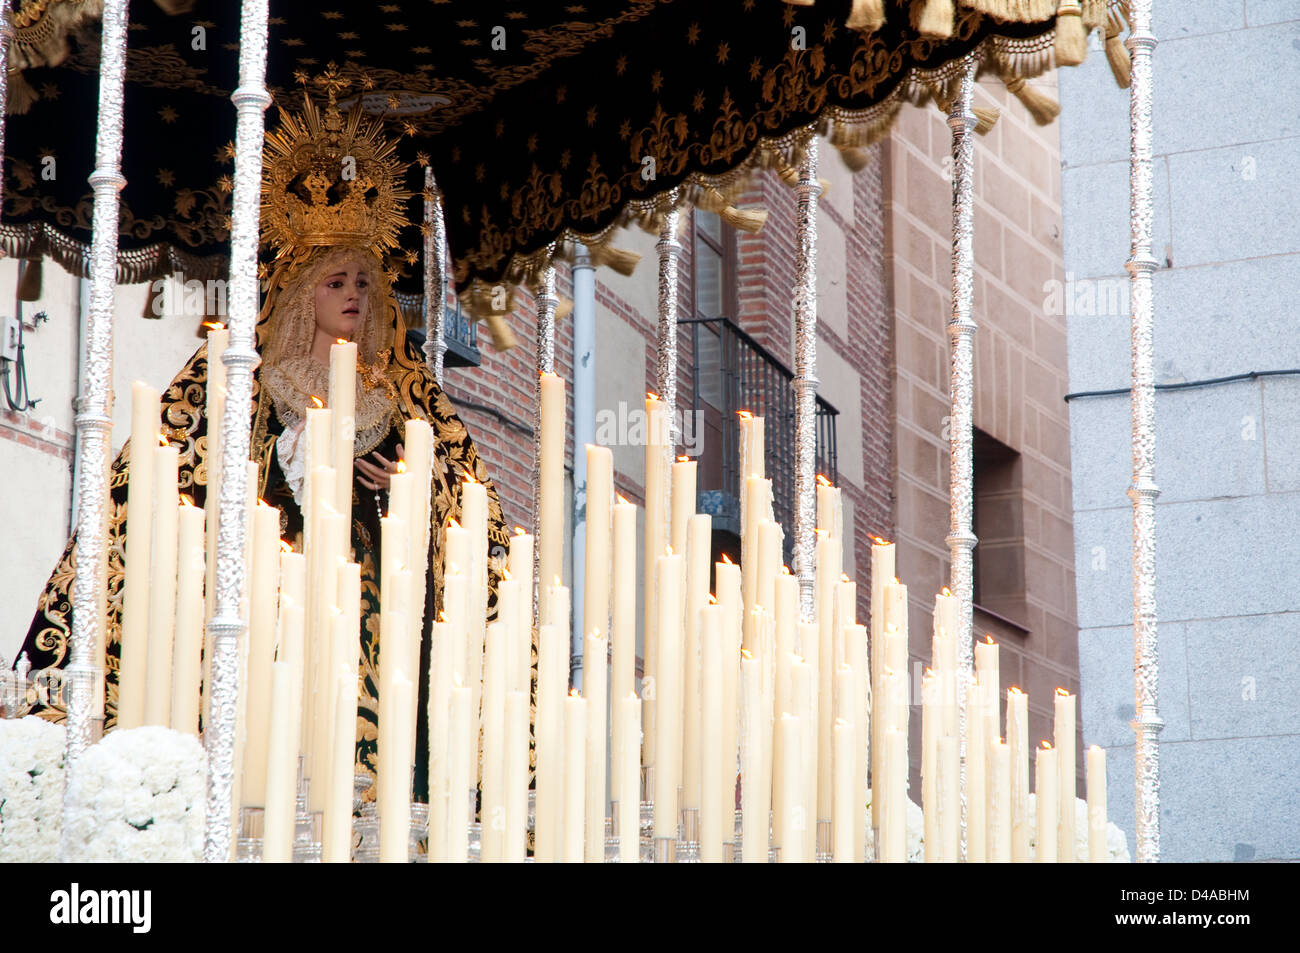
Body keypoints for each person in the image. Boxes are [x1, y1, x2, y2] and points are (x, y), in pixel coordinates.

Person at [13, 83, 511, 803]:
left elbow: (464, 505)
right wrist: (282, 462)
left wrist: (405, 489)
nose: (354, 295)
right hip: (266, 603)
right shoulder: (241, 379)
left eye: (363, 282)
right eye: (336, 281)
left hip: (374, 613)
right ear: (303, 290)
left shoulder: (406, 392)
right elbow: (172, 482)